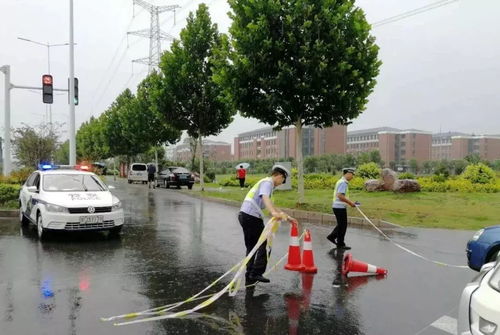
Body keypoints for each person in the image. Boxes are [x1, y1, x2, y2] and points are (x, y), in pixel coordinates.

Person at [239, 164, 293, 285]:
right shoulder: (268, 183)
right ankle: (256, 272)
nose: (282, 183)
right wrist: (274, 213)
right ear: (279, 176)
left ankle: (250, 273)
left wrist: (287, 217)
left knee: (252, 246)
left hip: (246, 215)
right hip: (251, 217)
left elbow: (271, 205)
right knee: (266, 242)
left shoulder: (266, 184)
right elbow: (265, 198)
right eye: (283, 179)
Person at [327, 168, 357, 250]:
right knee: (342, 225)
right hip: (339, 207)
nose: (352, 176)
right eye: (352, 174)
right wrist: (350, 203)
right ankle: (337, 241)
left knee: (341, 225)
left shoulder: (341, 181)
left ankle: (336, 240)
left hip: (338, 206)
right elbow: (340, 196)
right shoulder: (343, 183)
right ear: (347, 173)